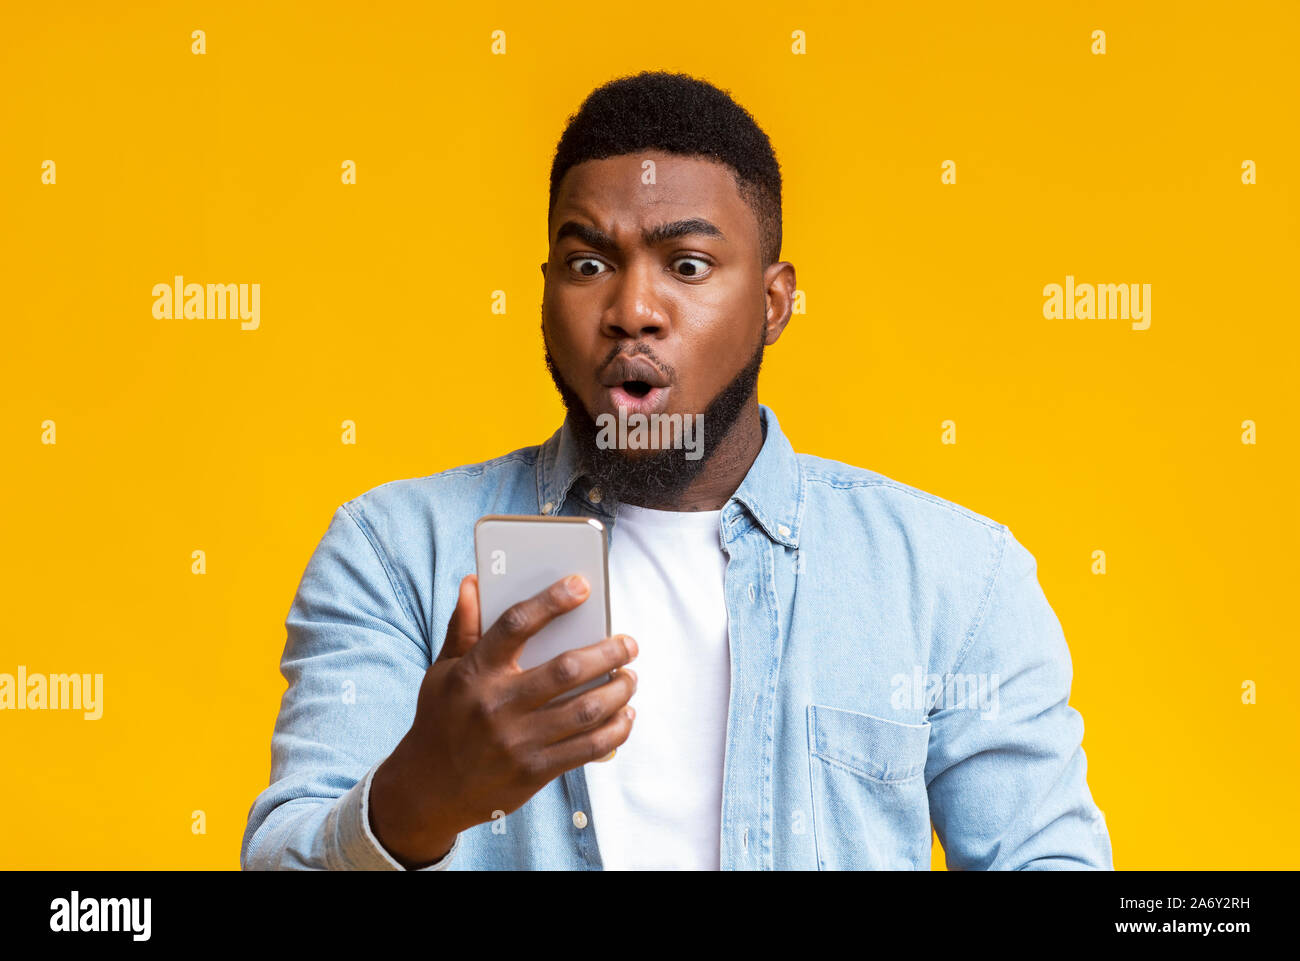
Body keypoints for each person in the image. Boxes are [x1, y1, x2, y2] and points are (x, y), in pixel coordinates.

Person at [240, 70, 1113, 871]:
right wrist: (411, 806)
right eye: (589, 265)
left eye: (687, 265)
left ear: (773, 304)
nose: (632, 311)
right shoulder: (395, 553)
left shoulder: (955, 580)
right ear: (544, 296)